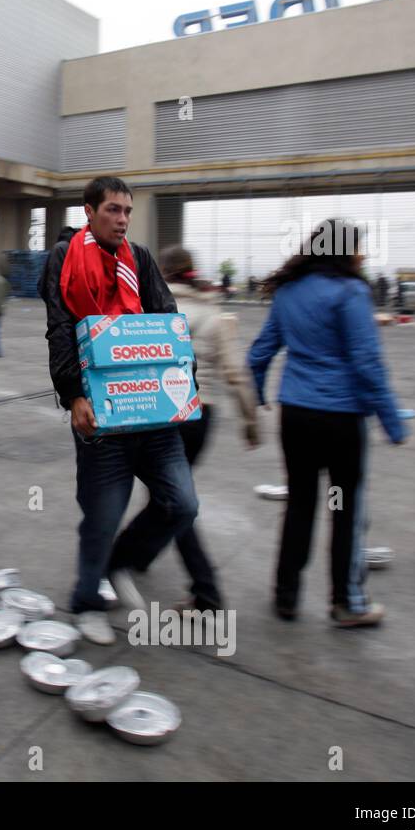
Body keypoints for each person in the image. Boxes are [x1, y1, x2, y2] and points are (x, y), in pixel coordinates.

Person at [38, 176, 197, 617]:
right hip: (101, 418)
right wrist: (73, 395)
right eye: (113, 209)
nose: (123, 219)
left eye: (127, 211)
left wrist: (184, 380)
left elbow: (168, 320)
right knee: (102, 517)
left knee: (183, 504)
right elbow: (59, 327)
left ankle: (120, 562)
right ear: (89, 211)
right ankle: (86, 598)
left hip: (154, 413)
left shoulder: (140, 259)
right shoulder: (64, 258)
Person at [248, 219, 406, 628]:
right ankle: (347, 603)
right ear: (343, 250)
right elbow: (367, 363)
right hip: (340, 421)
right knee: (344, 508)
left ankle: (286, 597)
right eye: (359, 247)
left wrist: (260, 394)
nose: (363, 254)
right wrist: (391, 419)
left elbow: (259, 354)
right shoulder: (351, 292)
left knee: (301, 504)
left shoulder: (289, 291)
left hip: (296, 417)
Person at [156, 247, 260, 611]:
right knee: (168, 495)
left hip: (164, 413)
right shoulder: (215, 315)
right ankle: (134, 556)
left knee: (174, 500)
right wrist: (251, 423)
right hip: (202, 416)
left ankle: (205, 590)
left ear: (164, 271)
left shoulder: (154, 310)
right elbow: (236, 374)